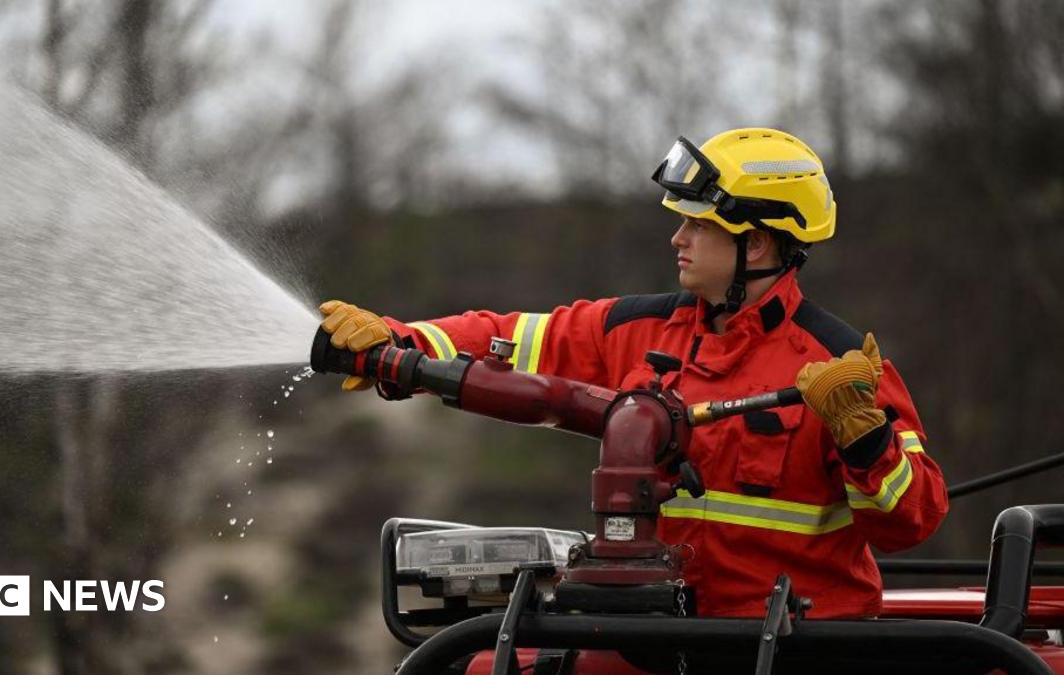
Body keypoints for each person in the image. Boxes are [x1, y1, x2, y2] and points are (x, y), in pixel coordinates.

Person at [317, 128, 948, 618]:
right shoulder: (638, 330)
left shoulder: (843, 368)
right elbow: (507, 339)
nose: (677, 238)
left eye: (697, 224)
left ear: (755, 244)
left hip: (801, 651)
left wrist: (863, 436)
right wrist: (398, 340)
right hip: (653, 636)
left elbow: (911, 522)